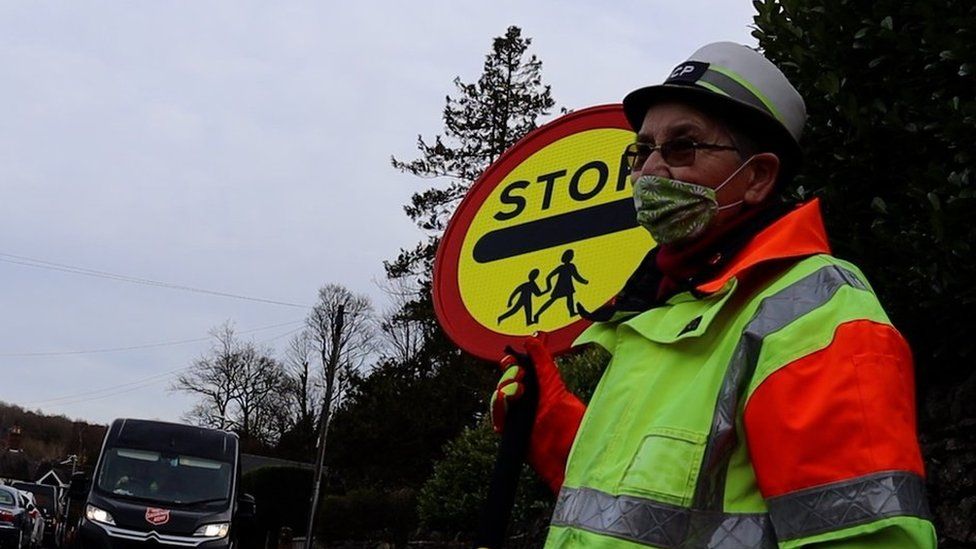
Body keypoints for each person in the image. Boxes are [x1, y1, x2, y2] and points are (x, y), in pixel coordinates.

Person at [491, 42, 936, 548]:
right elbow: (631, 506)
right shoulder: (660, 308)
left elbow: (860, 538)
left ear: (757, 177)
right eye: (642, 150)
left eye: (683, 146)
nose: (649, 171)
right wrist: (546, 420)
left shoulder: (817, 309)